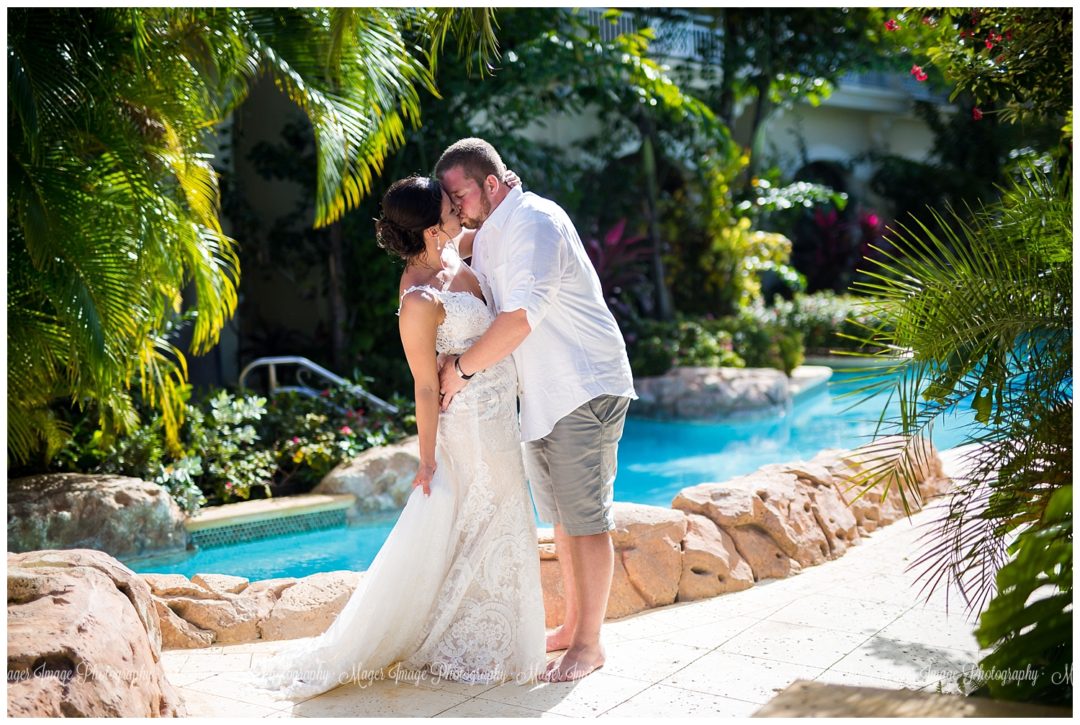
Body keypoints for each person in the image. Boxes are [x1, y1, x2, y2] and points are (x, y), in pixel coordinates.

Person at [244, 174, 546, 701]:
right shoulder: (419, 298)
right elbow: (425, 387)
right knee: (488, 523)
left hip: (501, 415)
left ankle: (490, 636)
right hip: (470, 426)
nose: (460, 211)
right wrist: (426, 459)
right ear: (432, 229)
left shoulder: (454, 255)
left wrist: (508, 190)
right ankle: (473, 645)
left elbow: (491, 228)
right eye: (451, 208)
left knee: (504, 520)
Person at [435, 138, 636, 683]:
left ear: (492, 185)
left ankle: (589, 646)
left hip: (581, 386)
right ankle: (574, 629)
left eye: (458, 195)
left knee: (586, 520)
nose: (453, 207)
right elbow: (449, 249)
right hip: (544, 398)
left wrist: (462, 369)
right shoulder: (495, 230)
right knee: (566, 520)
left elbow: (521, 318)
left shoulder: (534, 222)